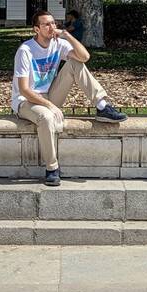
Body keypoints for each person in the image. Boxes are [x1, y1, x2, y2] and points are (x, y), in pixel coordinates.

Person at [12, 11, 127, 187]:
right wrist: (49, 105)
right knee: (46, 117)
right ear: (36, 29)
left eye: (53, 23)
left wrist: (67, 35)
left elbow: (85, 57)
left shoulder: (59, 43)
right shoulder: (25, 50)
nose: (52, 27)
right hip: (26, 101)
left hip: (49, 94)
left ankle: (102, 105)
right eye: (46, 25)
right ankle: (52, 168)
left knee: (75, 63)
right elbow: (24, 89)